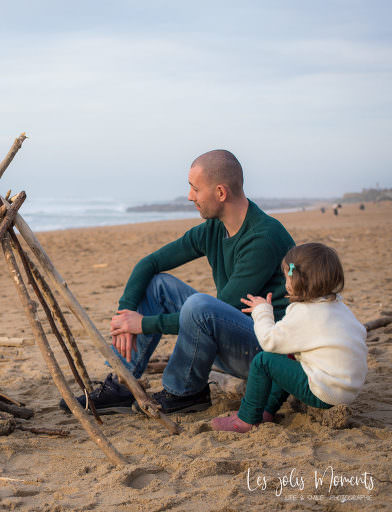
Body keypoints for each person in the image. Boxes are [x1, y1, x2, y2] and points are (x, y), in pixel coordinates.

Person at [61, 149, 295, 415]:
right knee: (158, 285)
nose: (190, 196)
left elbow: (217, 309)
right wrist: (125, 315)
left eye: (195, 189)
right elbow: (149, 263)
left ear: (220, 193)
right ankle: (122, 383)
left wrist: (142, 324)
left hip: (269, 351)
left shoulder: (262, 238)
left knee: (199, 305)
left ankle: (183, 393)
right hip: (235, 336)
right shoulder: (215, 228)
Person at [211, 243, 367, 432]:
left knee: (264, 361)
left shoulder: (304, 312)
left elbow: (268, 341)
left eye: (287, 278)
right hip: (348, 389)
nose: (285, 284)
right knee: (287, 356)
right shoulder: (339, 307)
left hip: (326, 392)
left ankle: (246, 419)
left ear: (296, 280)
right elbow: (358, 332)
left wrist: (263, 312)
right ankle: (266, 409)